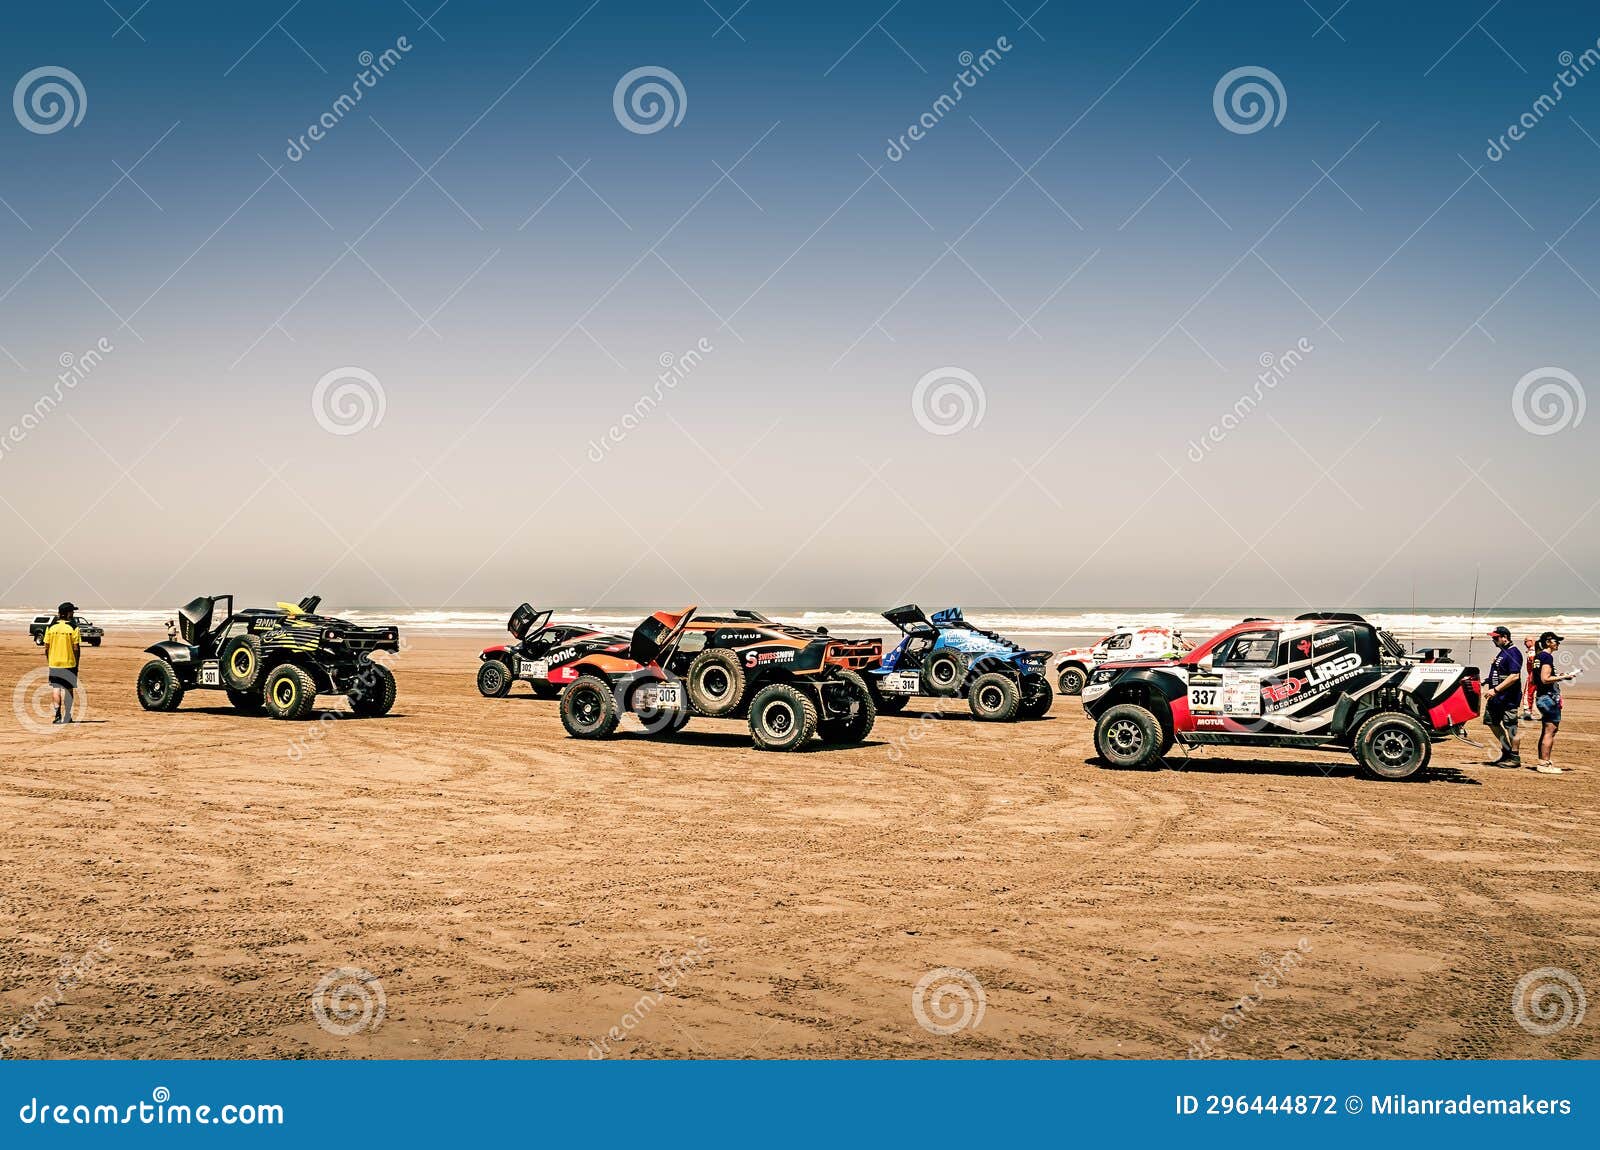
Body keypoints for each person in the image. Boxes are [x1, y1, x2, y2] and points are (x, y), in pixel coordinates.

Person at [1529, 631, 1577, 774]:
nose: (1558, 644)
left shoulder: (1538, 656)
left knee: (1546, 731)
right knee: (1550, 731)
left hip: (1542, 696)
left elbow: (1535, 679)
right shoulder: (1547, 657)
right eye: (1556, 641)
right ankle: (1544, 764)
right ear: (1548, 642)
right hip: (1548, 698)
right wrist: (1565, 677)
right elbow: (1544, 679)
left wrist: (1557, 676)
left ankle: (1543, 761)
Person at [1480, 625, 1523, 767]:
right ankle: (1507, 752)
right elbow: (1499, 673)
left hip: (1508, 698)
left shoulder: (1514, 653)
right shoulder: (1502, 652)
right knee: (1491, 721)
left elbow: (1514, 676)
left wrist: (1495, 690)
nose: (1493, 640)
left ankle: (1515, 757)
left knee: (1511, 727)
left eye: (1496, 638)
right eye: (1492, 638)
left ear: (1505, 637)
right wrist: (1486, 681)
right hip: (1496, 698)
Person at [43, 602, 81, 724]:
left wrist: (49, 659)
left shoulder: (51, 627)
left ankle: (57, 715)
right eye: (72, 611)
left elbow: (46, 647)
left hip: (54, 663)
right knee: (69, 689)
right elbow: (76, 648)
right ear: (69, 613)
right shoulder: (74, 627)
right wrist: (76, 662)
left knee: (56, 688)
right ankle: (68, 715)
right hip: (69, 663)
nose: (73, 613)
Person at [1521, 635, 1538, 720]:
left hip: (1533, 674)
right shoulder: (1537, 650)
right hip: (1537, 674)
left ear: (1531, 641)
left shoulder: (1532, 650)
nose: (1524, 643)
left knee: (1528, 692)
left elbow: (1533, 660)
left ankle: (1527, 711)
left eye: (1525, 641)